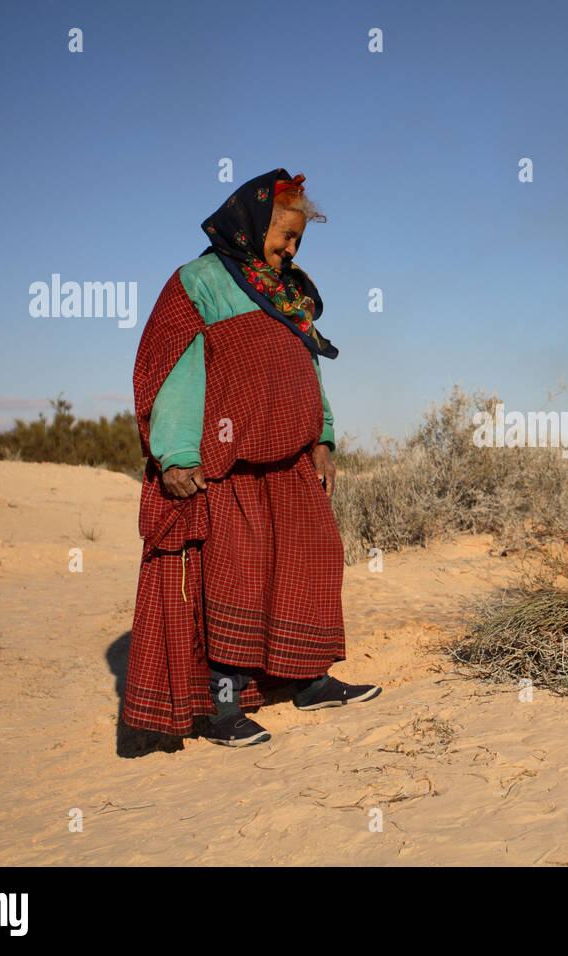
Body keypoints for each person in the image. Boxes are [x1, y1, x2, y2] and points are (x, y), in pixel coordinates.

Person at [124, 167, 380, 747]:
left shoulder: (286, 291)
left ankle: (311, 679)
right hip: (229, 463)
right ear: (250, 221)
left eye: (298, 242)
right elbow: (177, 371)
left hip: (290, 461)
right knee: (234, 580)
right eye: (284, 236)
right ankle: (222, 710)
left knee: (310, 562)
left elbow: (308, 369)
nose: (290, 249)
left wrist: (325, 439)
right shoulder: (200, 281)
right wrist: (177, 454)